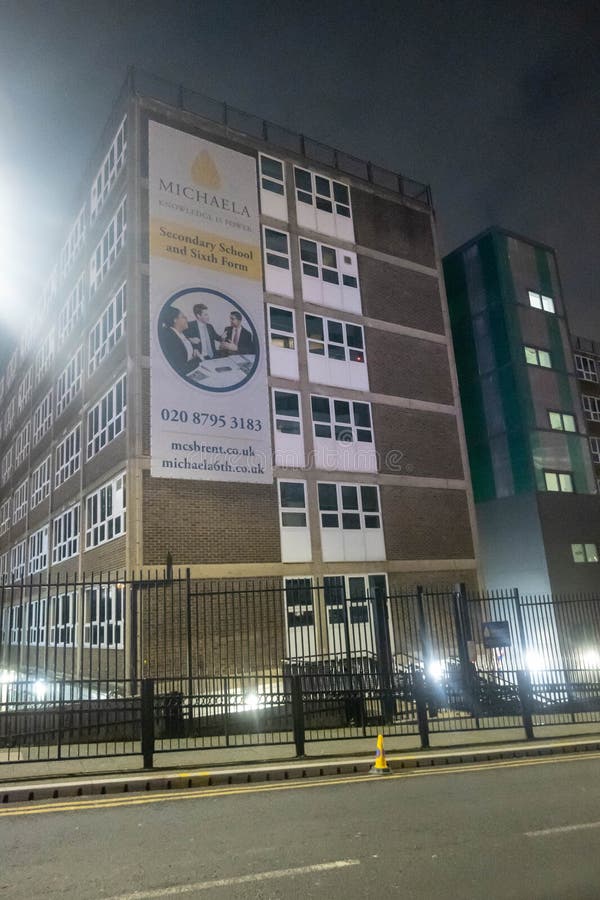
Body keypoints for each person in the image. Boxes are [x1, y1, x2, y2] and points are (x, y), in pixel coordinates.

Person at [159, 307, 201, 376]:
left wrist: (195, 350)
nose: (186, 318)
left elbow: (187, 346)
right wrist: (198, 359)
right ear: (175, 320)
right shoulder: (170, 338)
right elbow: (180, 368)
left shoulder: (180, 333)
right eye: (183, 317)